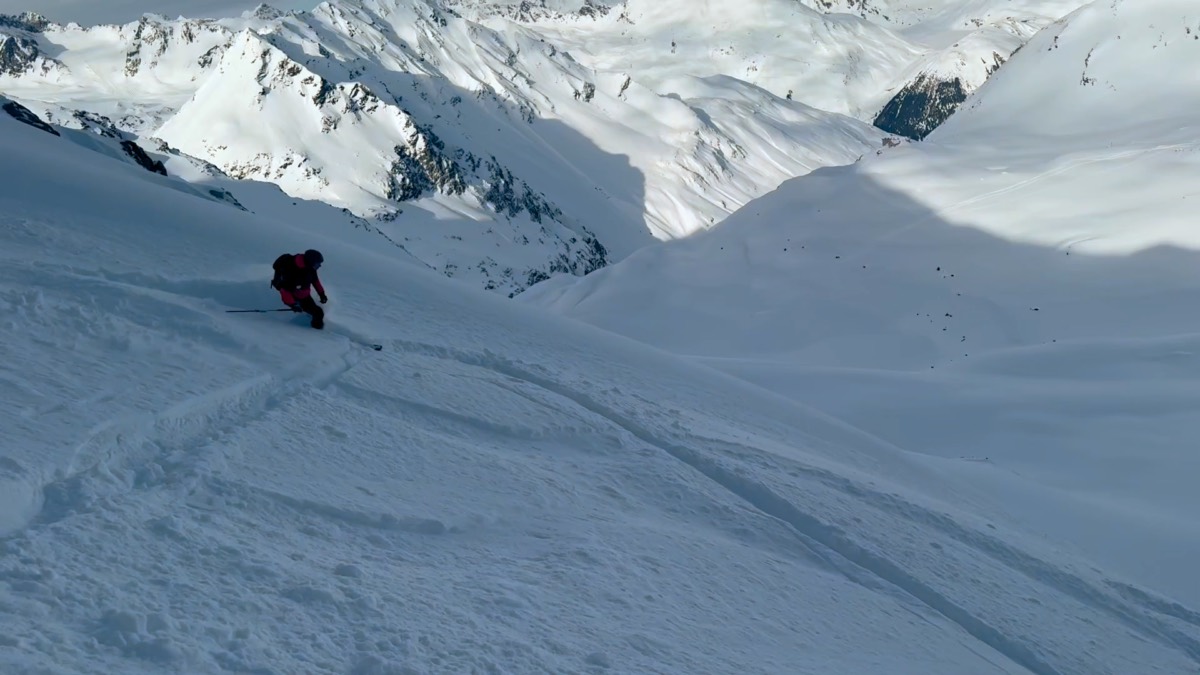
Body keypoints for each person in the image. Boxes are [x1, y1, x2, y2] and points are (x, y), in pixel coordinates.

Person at [271, 249, 328, 329]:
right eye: (318, 263)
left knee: (317, 313)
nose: (319, 265)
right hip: (295, 298)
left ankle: (315, 328)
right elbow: (284, 290)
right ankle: (316, 334)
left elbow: (315, 281)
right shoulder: (292, 270)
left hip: (305, 296)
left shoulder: (310, 269)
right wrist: (293, 304)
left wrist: (322, 294)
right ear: (311, 261)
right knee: (318, 313)